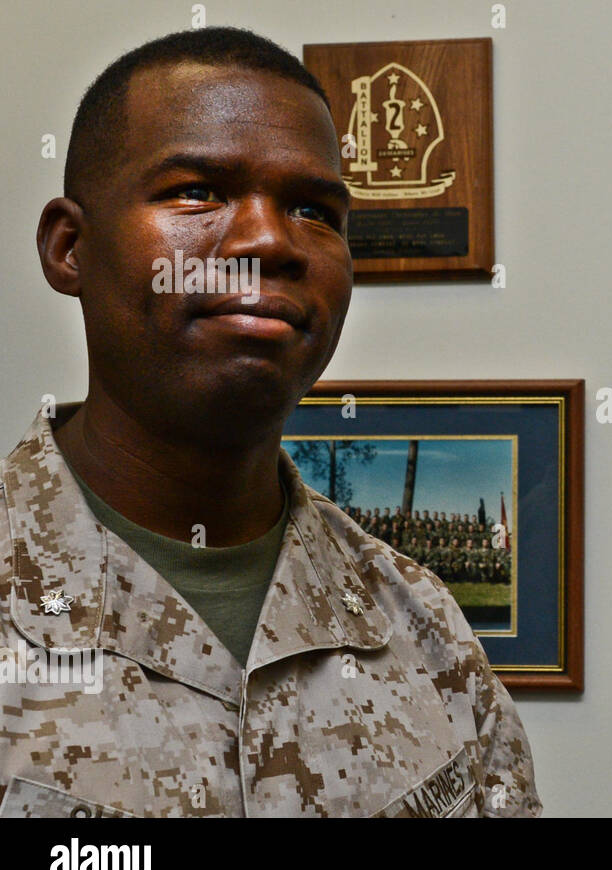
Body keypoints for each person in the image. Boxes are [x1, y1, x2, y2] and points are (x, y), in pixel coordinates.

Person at [0, 27, 540, 817]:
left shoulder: (421, 626)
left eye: (314, 209)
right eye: (197, 191)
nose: (268, 241)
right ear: (70, 247)